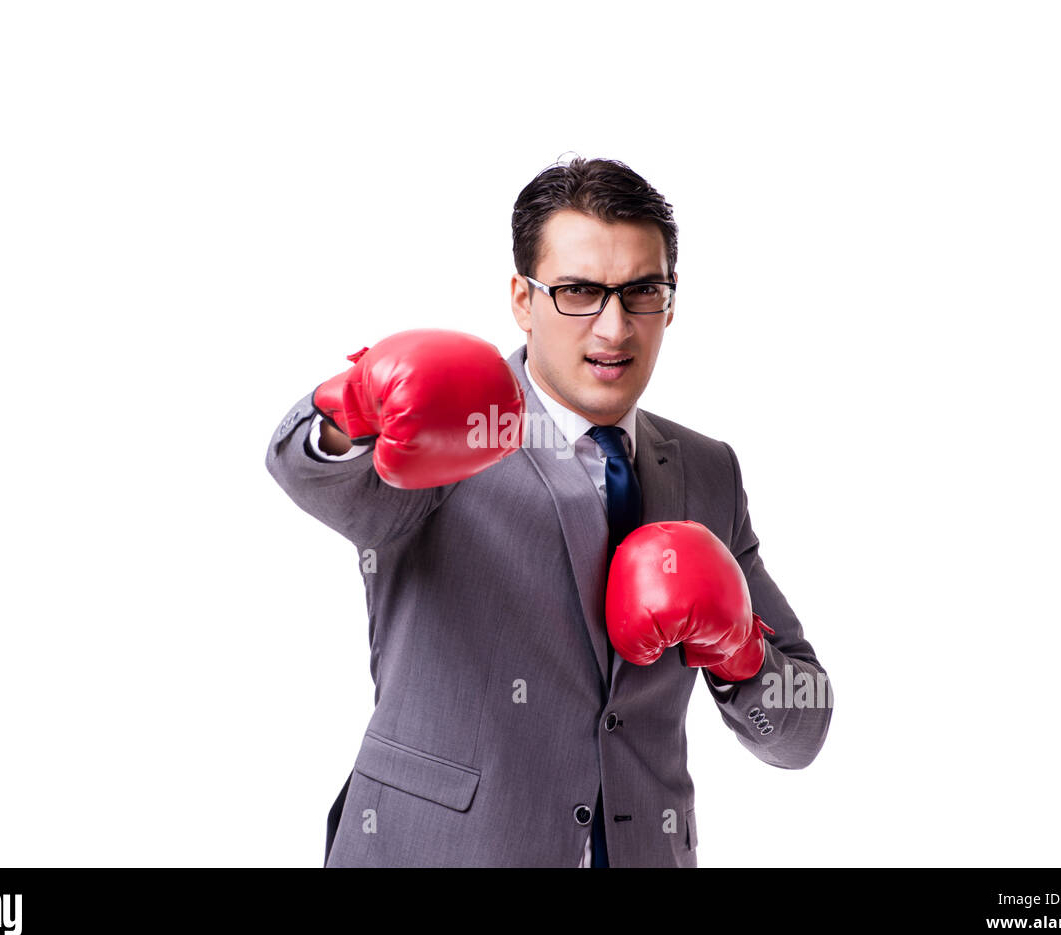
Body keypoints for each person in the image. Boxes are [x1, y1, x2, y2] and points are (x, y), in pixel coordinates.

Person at [265, 156, 833, 867]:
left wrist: (740, 649)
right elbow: (303, 468)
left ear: (672, 297)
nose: (613, 326)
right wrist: (350, 407)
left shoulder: (708, 470)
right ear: (521, 298)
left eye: (641, 290)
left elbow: (802, 722)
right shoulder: (454, 426)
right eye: (578, 291)